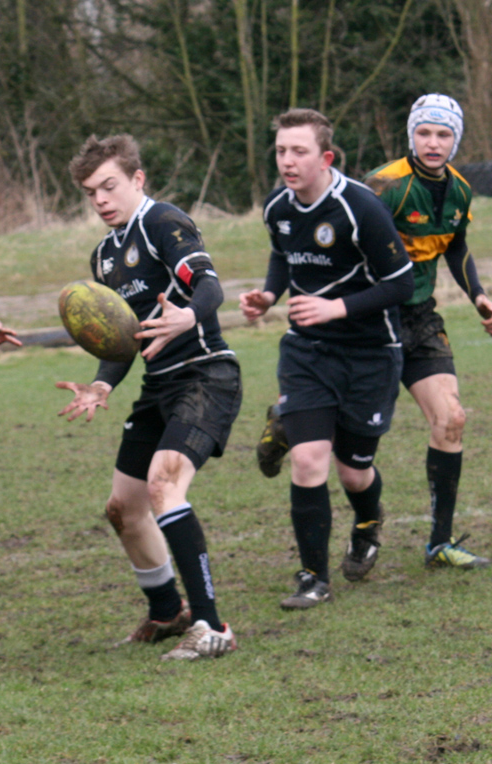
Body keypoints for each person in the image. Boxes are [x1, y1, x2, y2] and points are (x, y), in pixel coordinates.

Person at [57, 134, 241, 661]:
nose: (100, 200)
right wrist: (100, 384)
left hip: (206, 376)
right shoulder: (105, 256)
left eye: (109, 186)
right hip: (159, 386)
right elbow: (124, 342)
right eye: (91, 193)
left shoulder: (163, 223)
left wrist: (190, 313)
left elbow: (208, 284)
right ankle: (167, 611)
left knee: (164, 484)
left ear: (137, 180)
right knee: (123, 508)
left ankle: (212, 626)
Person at [240, 108, 414, 609]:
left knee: (353, 469)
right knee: (309, 459)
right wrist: (269, 297)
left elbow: (401, 283)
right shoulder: (278, 207)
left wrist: (335, 306)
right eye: (280, 151)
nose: (287, 161)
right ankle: (312, 577)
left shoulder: (361, 208)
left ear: (326, 157)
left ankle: (367, 524)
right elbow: (282, 254)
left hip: (370, 355)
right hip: (308, 351)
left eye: (299, 152)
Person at [364, 94, 492, 571]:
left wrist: (478, 292)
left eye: (443, 134)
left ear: (455, 140)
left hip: (420, 319)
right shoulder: (383, 185)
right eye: (424, 132)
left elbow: (456, 245)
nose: (433, 142)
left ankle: (439, 544)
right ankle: (288, 417)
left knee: (452, 419)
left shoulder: (459, 189)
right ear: (411, 136)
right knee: (346, 431)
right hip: (370, 322)